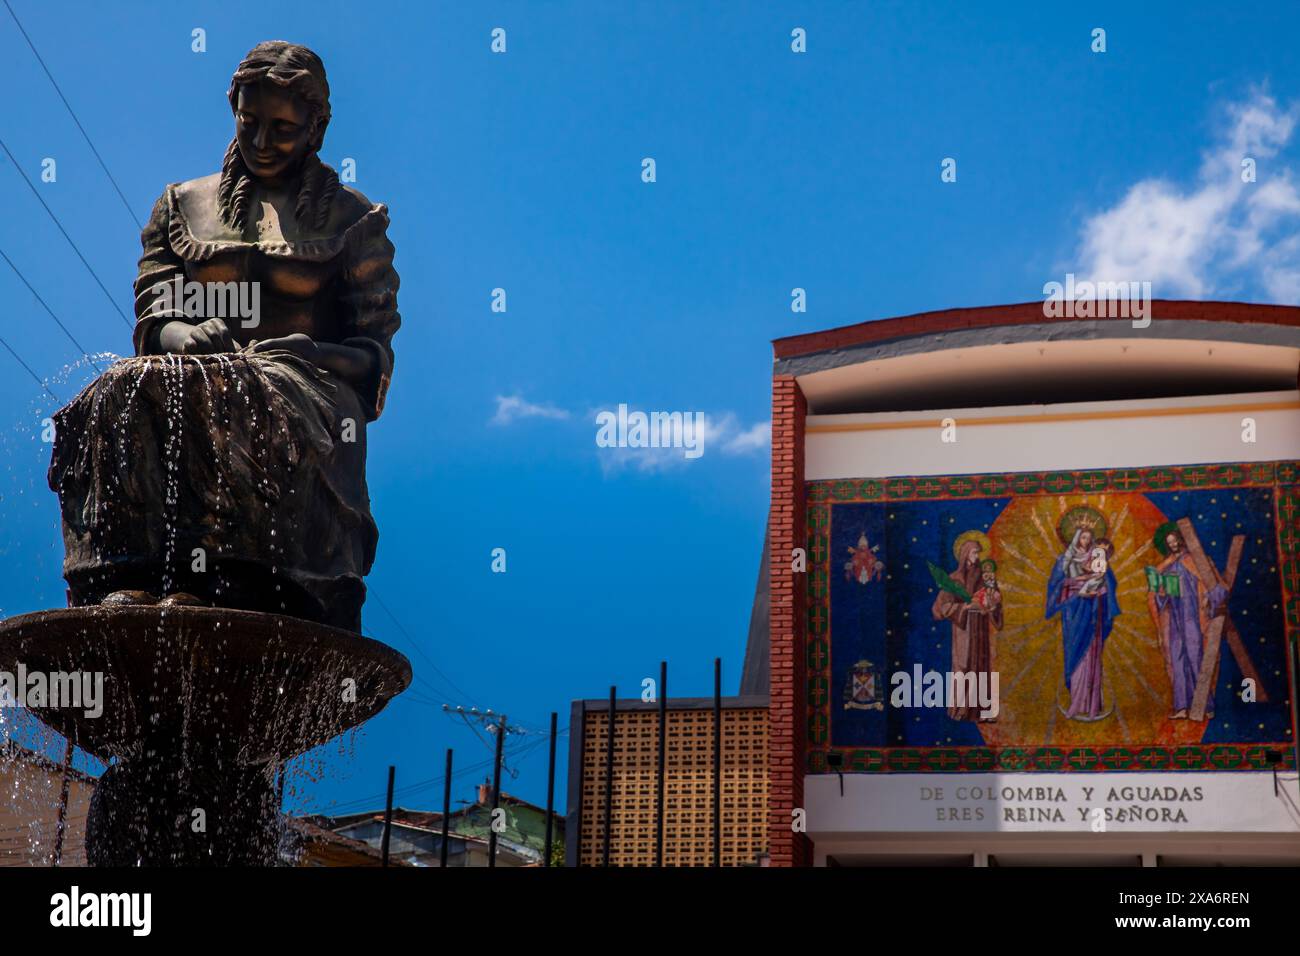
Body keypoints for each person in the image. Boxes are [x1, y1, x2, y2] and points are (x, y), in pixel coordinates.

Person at [49, 42, 400, 632]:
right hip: (191, 368)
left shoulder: (353, 219)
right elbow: (153, 313)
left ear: (317, 128)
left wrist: (313, 352)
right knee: (118, 388)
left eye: (283, 128)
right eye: (250, 121)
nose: (263, 142)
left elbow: (374, 357)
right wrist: (181, 331)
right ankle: (122, 573)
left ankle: (240, 580)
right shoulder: (181, 204)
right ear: (233, 107)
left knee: (253, 390)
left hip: (309, 384)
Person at [1046, 519, 1119, 720]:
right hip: (1073, 613)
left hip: (1093, 611)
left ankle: (1093, 705)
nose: (1086, 542)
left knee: (1092, 654)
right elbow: (1055, 586)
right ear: (1075, 538)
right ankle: (1077, 702)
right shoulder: (1064, 560)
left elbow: (1110, 584)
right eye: (1083, 537)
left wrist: (1101, 588)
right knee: (1073, 652)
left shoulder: (1099, 558)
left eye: (1089, 538)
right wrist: (1077, 584)